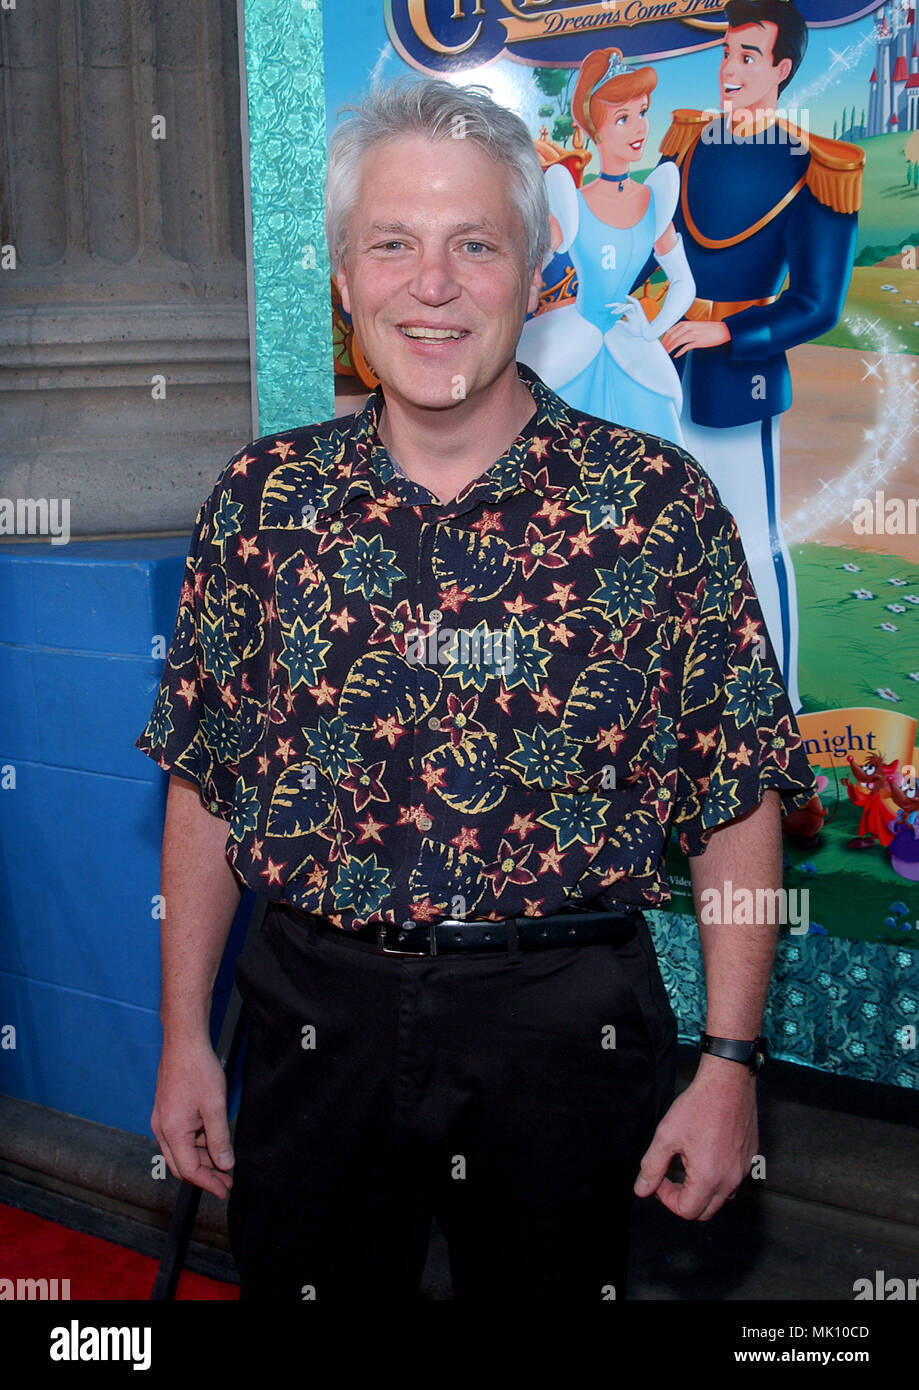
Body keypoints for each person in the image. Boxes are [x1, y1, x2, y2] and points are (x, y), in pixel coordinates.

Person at [136, 76, 817, 1302]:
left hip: (563, 1025)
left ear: (537, 270)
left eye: (473, 245)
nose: (431, 284)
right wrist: (184, 1036)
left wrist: (727, 1066)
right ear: (344, 279)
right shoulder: (263, 504)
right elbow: (208, 779)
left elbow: (735, 799)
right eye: (391, 244)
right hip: (311, 1019)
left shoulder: (655, 510)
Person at [654, 0, 865, 713]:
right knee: (659, 546)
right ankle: (679, 713)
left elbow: (816, 303)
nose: (728, 68)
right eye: (723, 52)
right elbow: (646, 254)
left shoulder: (816, 166)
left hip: (736, 384)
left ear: (780, 70)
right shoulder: (684, 144)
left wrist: (727, 335)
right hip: (659, 372)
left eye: (747, 56)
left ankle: (781, 718)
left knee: (747, 542)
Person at [517, 46, 694, 446]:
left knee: (654, 452)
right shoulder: (571, 200)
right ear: (596, 130)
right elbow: (531, 272)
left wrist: (652, 329)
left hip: (632, 348)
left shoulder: (655, 200)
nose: (639, 129)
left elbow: (684, 283)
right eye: (623, 118)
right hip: (575, 345)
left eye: (643, 113)